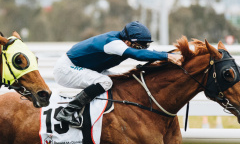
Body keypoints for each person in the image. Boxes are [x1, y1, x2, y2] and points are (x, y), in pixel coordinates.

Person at [53, 21, 183, 126]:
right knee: (105, 82)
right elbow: (138, 55)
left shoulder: (123, 41)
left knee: (121, 80)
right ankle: (67, 111)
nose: (142, 48)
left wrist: (172, 55)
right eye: (139, 45)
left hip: (86, 67)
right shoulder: (114, 44)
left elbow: (146, 52)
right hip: (66, 69)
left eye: (145, 45)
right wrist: (166, 56)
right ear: (127, 42)